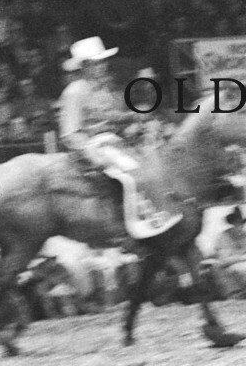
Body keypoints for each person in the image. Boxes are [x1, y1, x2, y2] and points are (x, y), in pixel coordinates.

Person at [56, 35, 177, 237]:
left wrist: (133, 118)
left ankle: (160, 206)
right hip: (92, 145)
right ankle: (142, 218)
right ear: (85, 66)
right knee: (132, 170)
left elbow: (110, 118)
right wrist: (90, 151)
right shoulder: (75, 91)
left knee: (150, 159)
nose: (103, 66)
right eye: (97, 63)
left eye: (103, 62)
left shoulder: (103, 89)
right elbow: (69, 133)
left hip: (111, 140)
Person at [208, 206, 246, 300]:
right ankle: (234, 293)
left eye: (241, 224)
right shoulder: (224, 236)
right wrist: (242, 258)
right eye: (236, 224)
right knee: (215, 267)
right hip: (232, 271)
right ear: (232, 224)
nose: (239, 227)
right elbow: (223, 260)